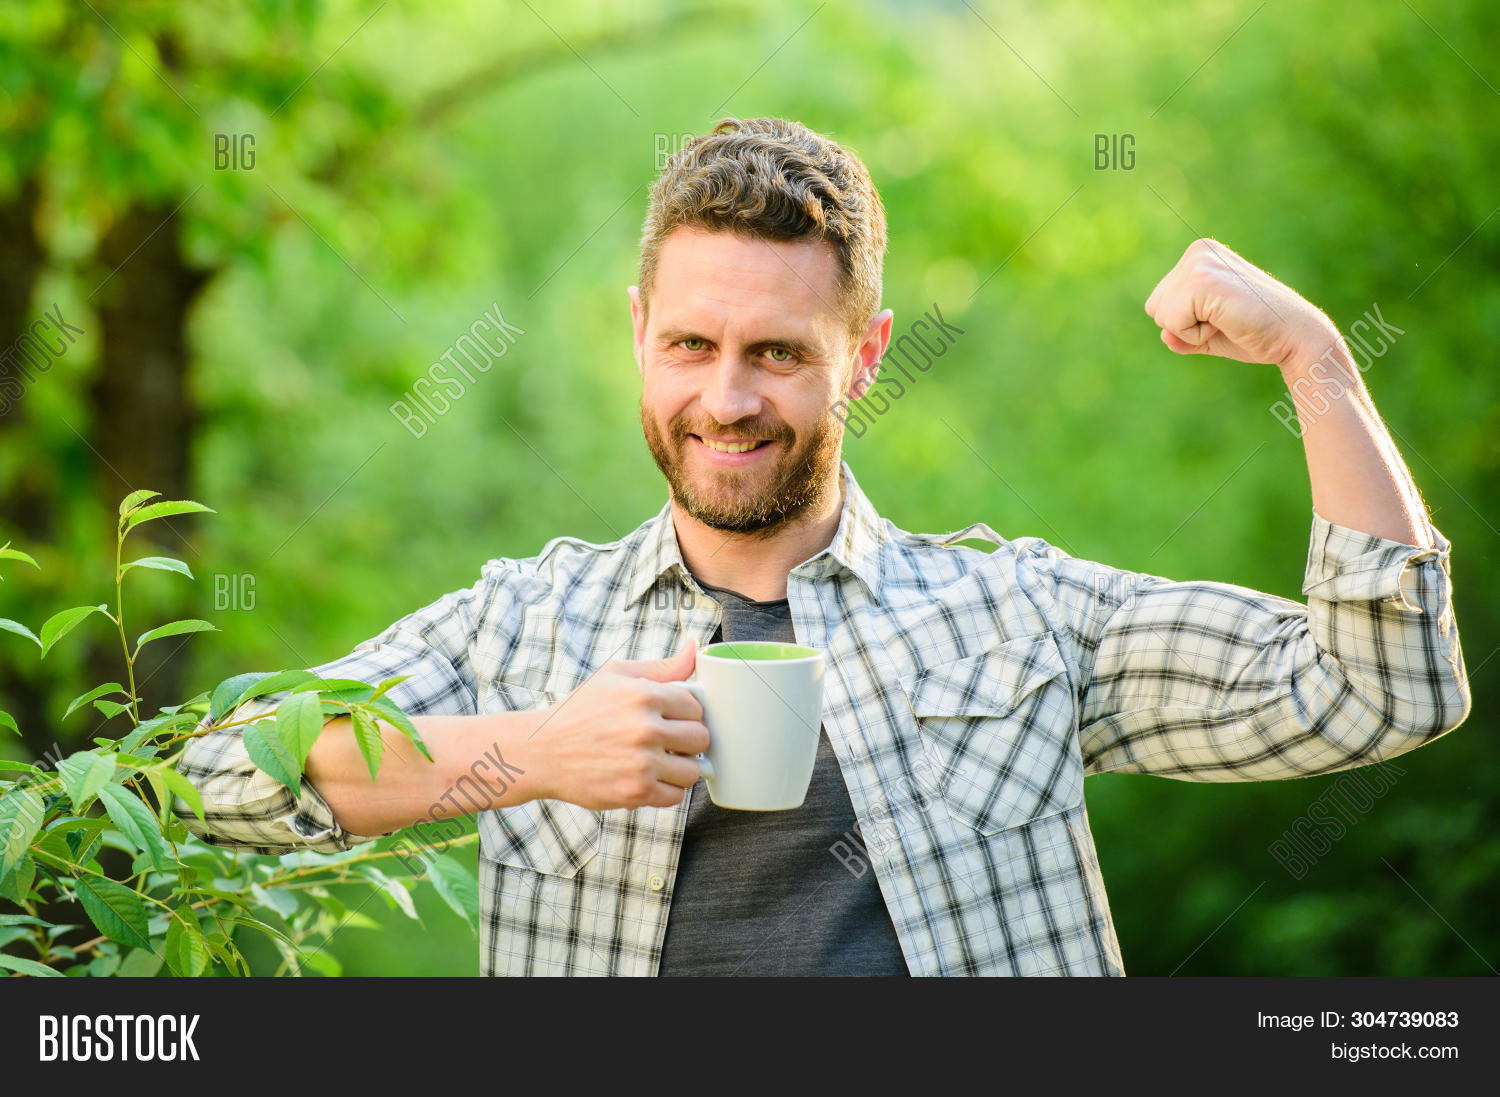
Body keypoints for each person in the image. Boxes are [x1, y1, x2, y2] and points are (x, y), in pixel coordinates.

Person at [177, 117, 1470, 976]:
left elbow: (1381, 690)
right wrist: (534, 752)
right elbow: (219, 772)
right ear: (638, 332)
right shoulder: (526, 625)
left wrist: (1316, 357)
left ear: (864, 354)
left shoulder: (1015, 614)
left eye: (779, 354)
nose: (726, 397)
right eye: (691, 344)